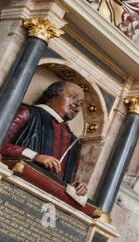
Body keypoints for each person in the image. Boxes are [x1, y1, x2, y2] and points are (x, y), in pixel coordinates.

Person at [2, 80, 97, 213]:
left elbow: (68, 179)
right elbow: (1, 144)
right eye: (72, 97)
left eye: (81, 103)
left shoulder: (74, 142)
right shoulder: (27, 113)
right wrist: (34, 156)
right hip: (12, 190)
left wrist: (76, 186)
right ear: (52, 96)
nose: (77, 104)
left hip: (46, 208)